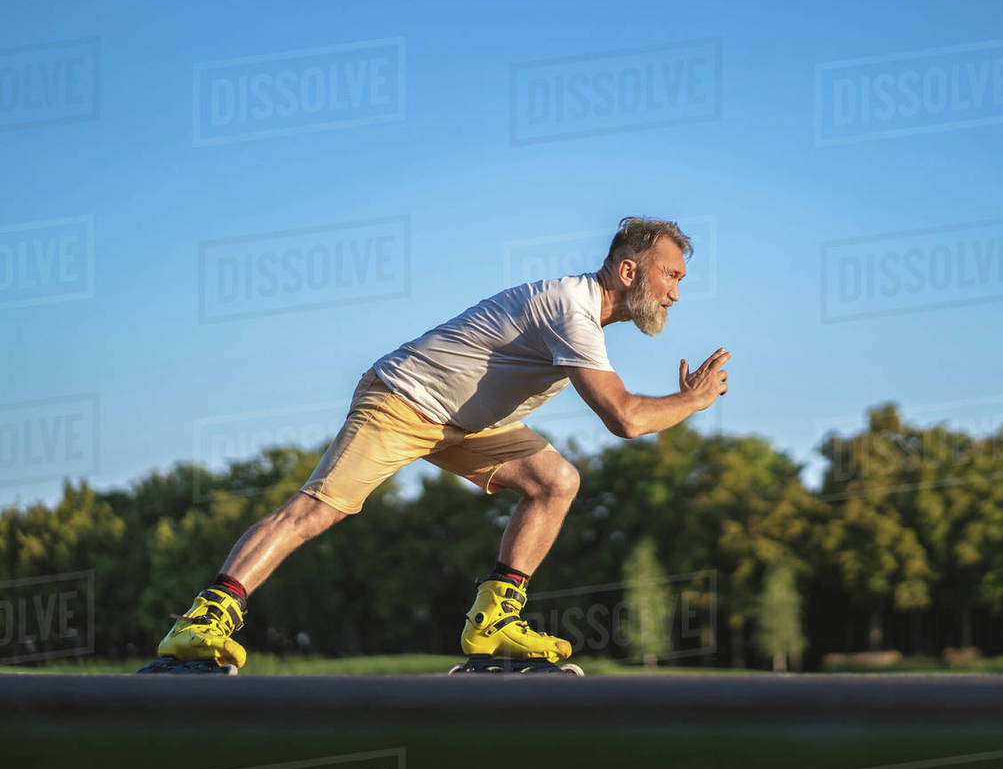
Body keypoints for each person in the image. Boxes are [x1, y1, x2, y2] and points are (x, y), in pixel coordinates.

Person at [155, 217, 731, 669]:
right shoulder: (573, 312)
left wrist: (681, 403)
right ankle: (205, 618)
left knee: (555, 480)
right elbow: (625, 419)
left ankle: (494, 620)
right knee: (316, 511)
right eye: (672, 276)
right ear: (630, 272)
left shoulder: (585, 317)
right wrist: (694, 401)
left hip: (470, 425)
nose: (676, 295)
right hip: (404, 400)